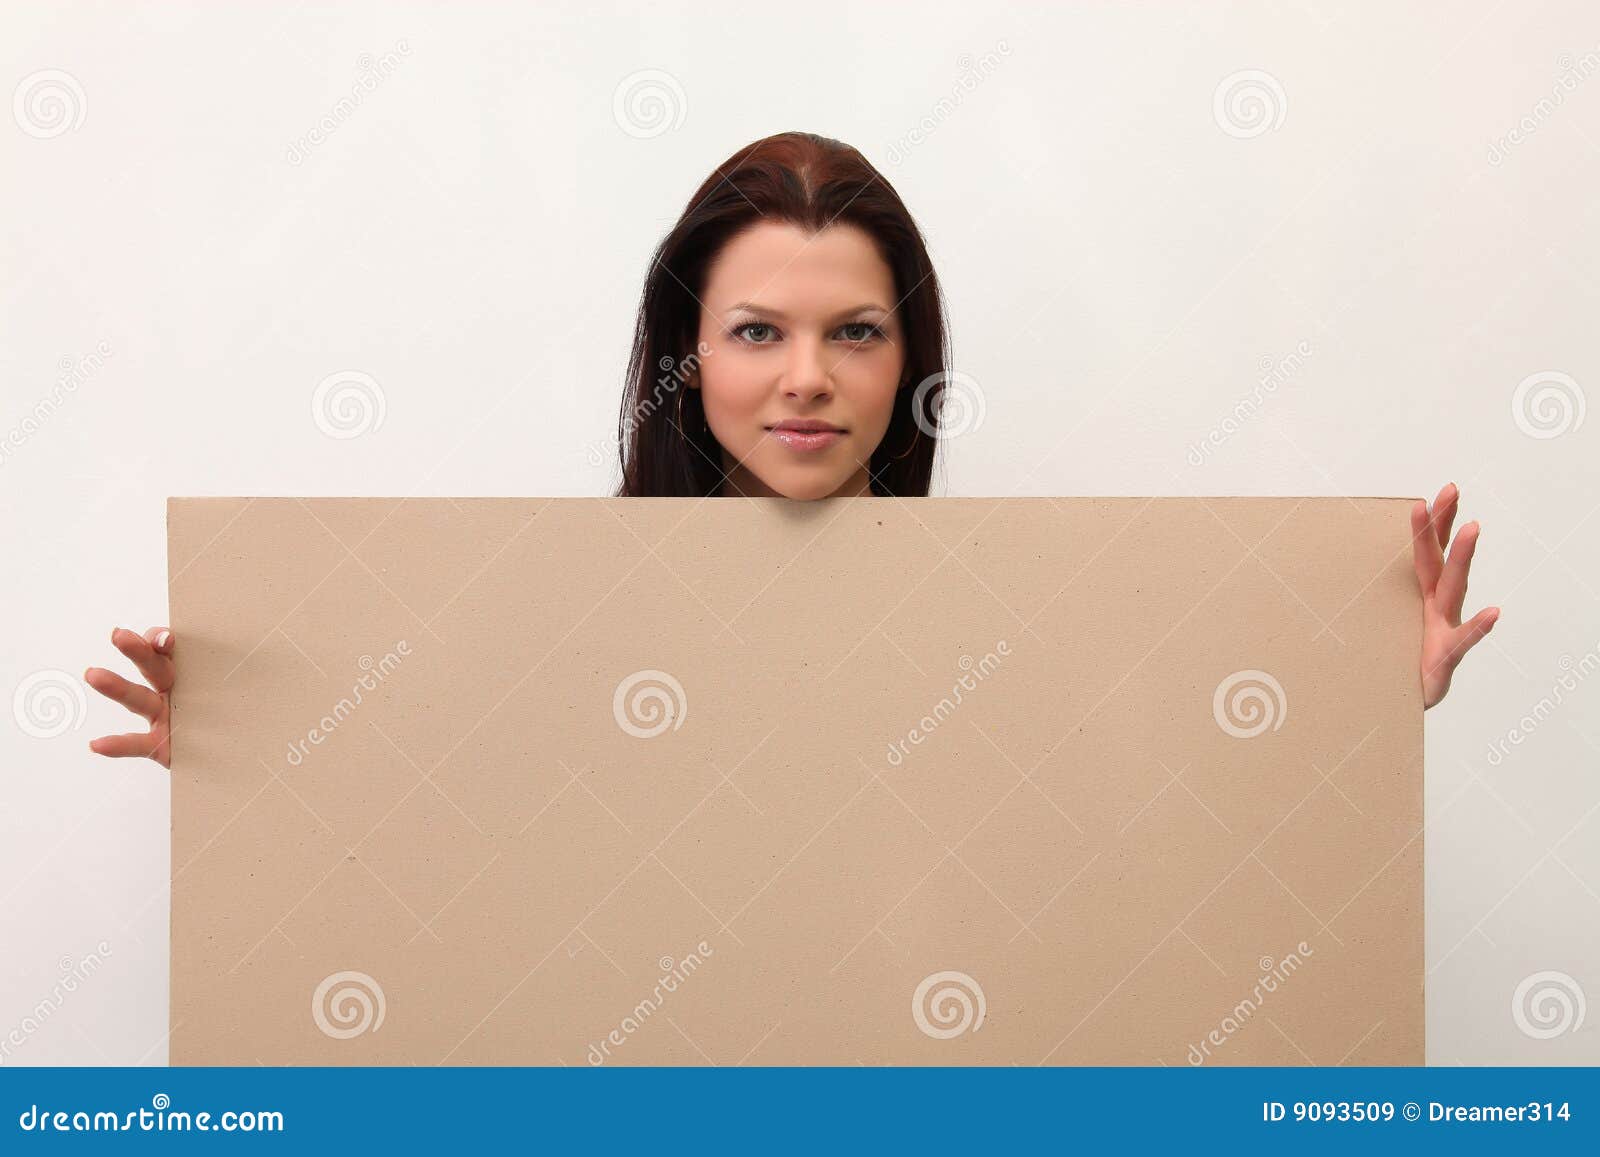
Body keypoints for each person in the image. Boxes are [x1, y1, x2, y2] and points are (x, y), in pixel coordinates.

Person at [84, 132, 1500, 769]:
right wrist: (259, 762)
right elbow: (457, 804)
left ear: (911, 360)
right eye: (758, 331)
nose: (809, 378)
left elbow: (1136, 810)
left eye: (857, 334)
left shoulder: (1014, 621)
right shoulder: (550, 608)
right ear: (688, 354)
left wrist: (1355, 703)